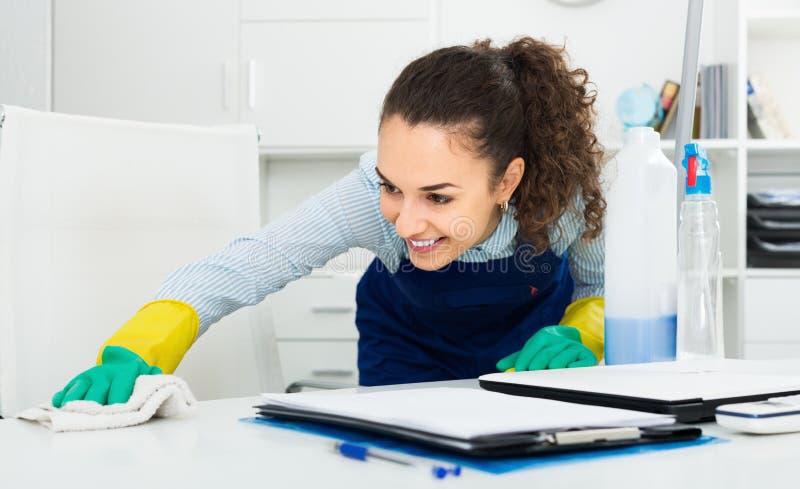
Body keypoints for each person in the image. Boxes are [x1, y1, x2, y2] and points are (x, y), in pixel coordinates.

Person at [52, 36, 605, 407]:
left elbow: (603, 287)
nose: (407, 222)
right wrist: (137, 348)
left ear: (507, 181)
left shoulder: (563, 200)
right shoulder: (365, 199)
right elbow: (254, 261)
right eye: (393, 186)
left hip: (530, 359)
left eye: (438, 198)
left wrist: (581, 333)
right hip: (407, 353)